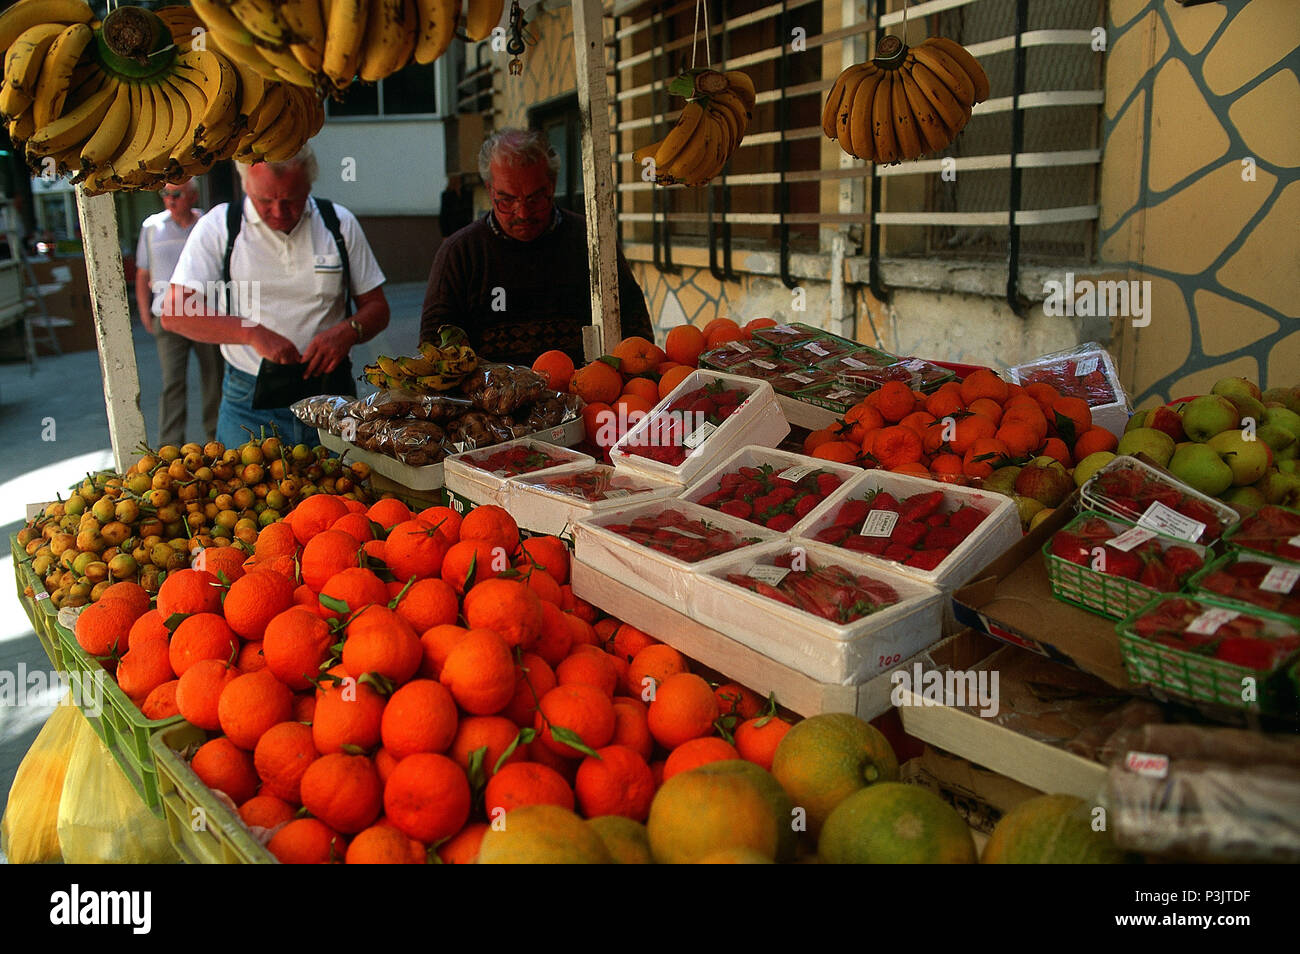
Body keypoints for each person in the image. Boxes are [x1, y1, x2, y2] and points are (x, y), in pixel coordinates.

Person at [160, 146, 389, 448]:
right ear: (245, 185)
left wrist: (349, 331)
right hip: (249, 400)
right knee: (242, 493)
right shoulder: (219, 226)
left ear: (309, 184)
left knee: (346, 491)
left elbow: (377, 308)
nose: (279, 213)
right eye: (265, 201)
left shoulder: (338, 222)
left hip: (333, 400)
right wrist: (251, 333)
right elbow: (175, 311)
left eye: (292, 200)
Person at [419, 128, 653, 367]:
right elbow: (434, 347)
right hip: (490, 400)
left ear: (552, 184)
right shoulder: (460, 253)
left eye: (535, 198)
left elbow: (636, 329)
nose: (523, 213)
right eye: (507, 199)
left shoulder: (592, 242)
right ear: (490, 190)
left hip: (586, 393)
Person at [135, 178, 223, 448]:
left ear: (193, 196)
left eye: (177, 194)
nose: (170, 199)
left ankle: (215, 439)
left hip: (205, 314)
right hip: (167, 316)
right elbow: (142, 274)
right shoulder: (152, 227)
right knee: (172, 381)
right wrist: (144, 312)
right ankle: (169, 447)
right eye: (165, 194)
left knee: (213, 377)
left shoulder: (207, 225)